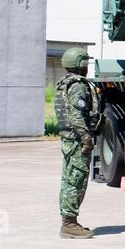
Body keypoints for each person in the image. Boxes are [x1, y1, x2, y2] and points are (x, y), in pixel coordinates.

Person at [53, 48, 100, 238]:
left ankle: (69, 221)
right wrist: (86, 138)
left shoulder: (65, 83)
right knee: (76, 180)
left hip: (69, 138)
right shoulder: (78, 86)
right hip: (76, 140)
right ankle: (69, 224)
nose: (87, 67)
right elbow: (76, 116)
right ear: (79, 64)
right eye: (85, 63)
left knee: (69, 178)